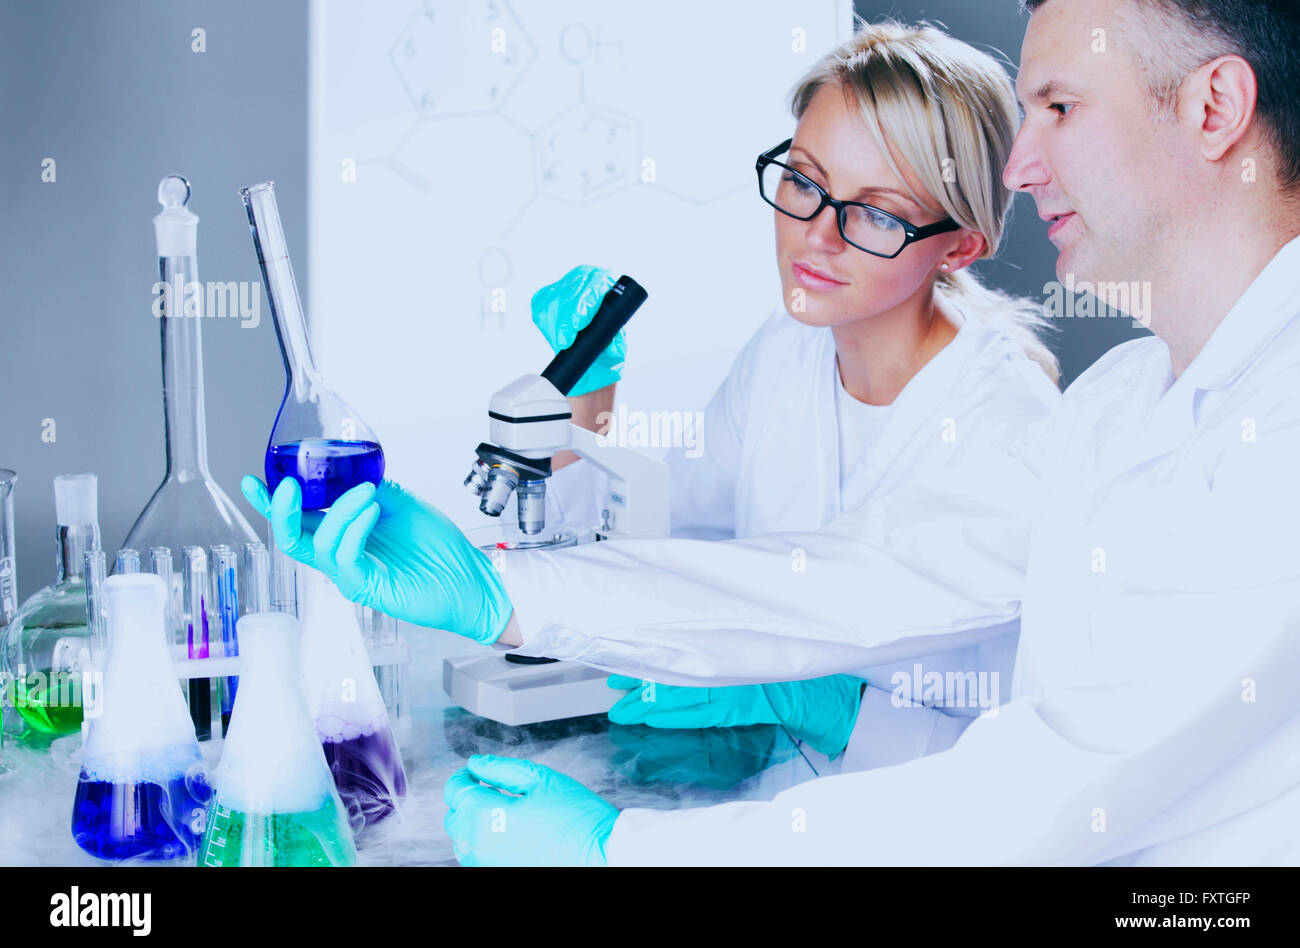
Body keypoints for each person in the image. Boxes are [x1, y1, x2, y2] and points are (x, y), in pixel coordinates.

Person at [436, 0, 1300, 865]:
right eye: (805, 183)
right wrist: (513, 597)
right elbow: (860, 573)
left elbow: (1033, 796)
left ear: (1213, 108)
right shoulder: (1124, 395)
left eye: (1061, 108)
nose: (1021, 166)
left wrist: (620, 848)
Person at [245, 20, 1062, 771]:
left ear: (960, 245)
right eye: (804, 182)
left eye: (876, 216)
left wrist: (834, 711)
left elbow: (1020, 767)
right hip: (768, 806)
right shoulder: (792, 349)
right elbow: (666, 548)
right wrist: (589, 396)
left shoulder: (1011, 431)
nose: (814, 234)